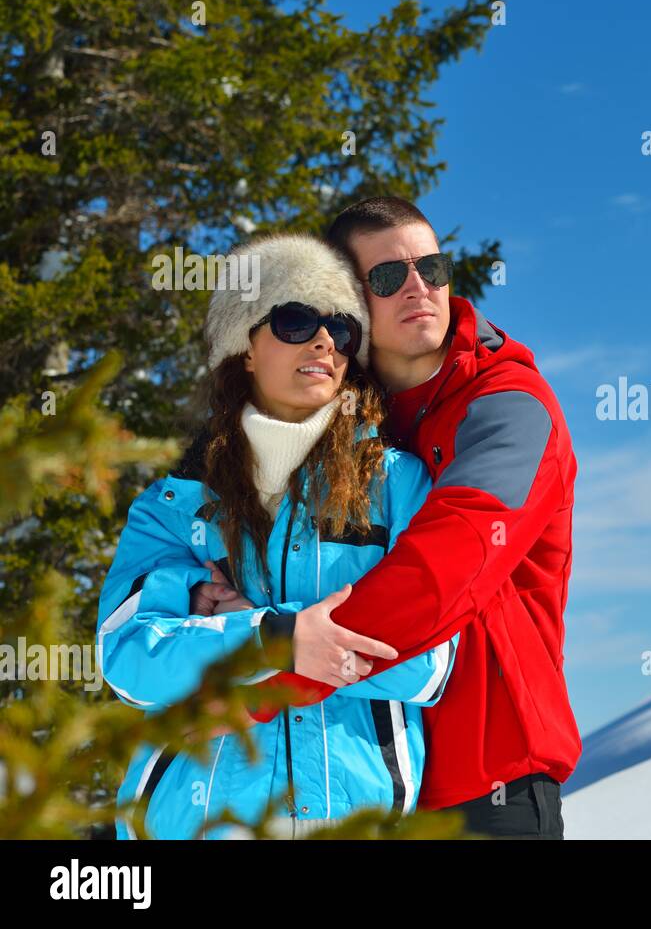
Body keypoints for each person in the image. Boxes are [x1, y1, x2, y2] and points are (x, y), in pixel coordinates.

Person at [225, 198, 580, 838]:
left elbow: (449, 562)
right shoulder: (342, 419)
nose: (419, 288)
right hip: (370, 781)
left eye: (433, 268)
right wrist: (198, 589)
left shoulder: (510, 408)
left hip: (488, 779)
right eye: (389, 277)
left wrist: (275, 675)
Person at [97, 233, 458, 839]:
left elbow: (428, 664)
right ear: (244, 346)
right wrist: (279, 637)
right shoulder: (175, 503)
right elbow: (130, 659)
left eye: (342, 330)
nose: (323, 341)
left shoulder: (400, 485)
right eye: (295, 321)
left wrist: (235, 628)